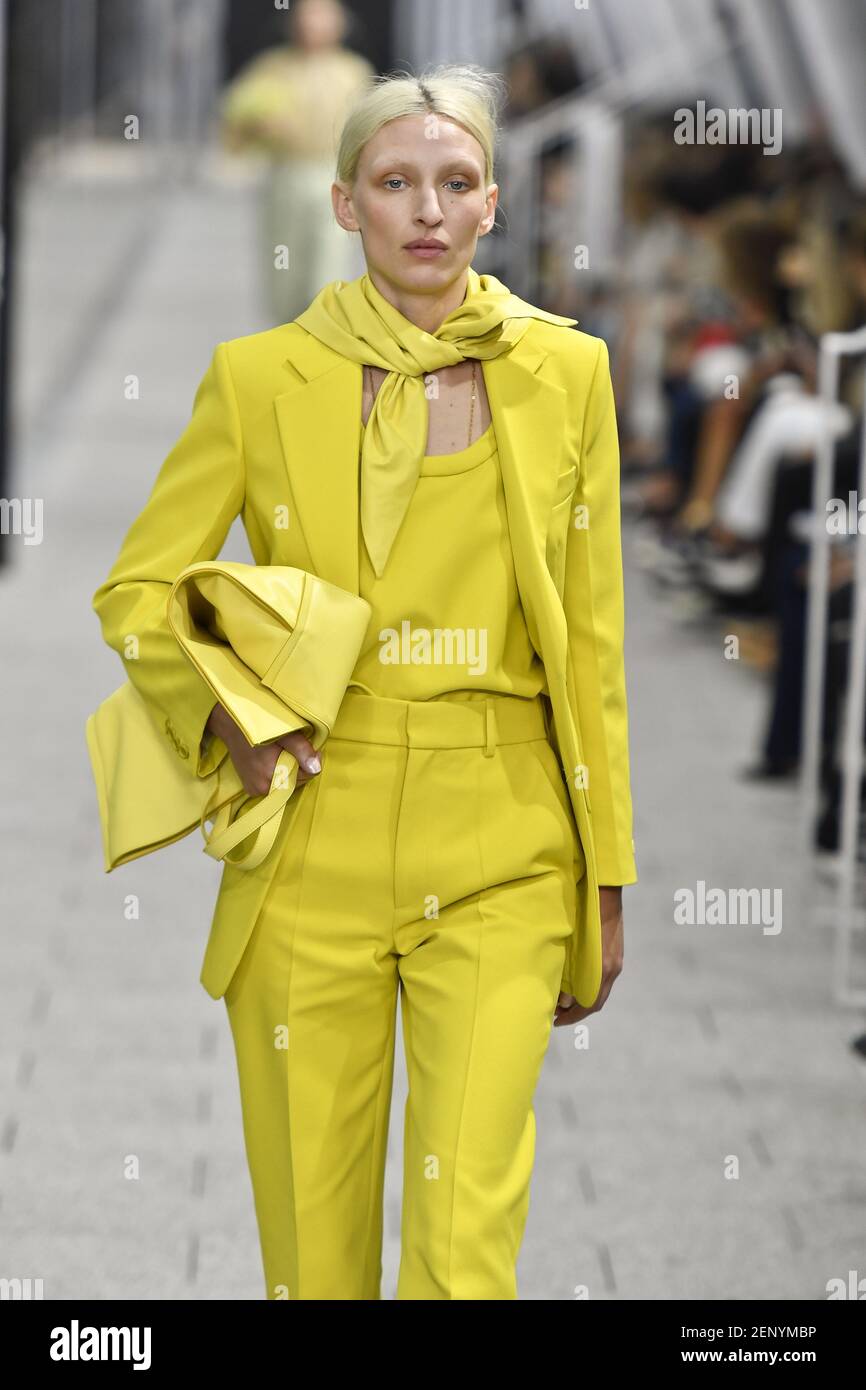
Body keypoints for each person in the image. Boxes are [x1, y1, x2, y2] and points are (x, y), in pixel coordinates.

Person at [91, 62, 637, 1301]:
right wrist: (231, 725)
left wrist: (607, 877)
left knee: (463, 1255)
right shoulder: (257, 378)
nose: (426, 211)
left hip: (504, 841)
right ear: (345, 205)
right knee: (313, 1256)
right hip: (312, 831)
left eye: (454, 183)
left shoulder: (568, 375)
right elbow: (135, 591)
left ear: (493, 203)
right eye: (396, 183)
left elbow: (591, 649)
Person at [219, 0, 374, 324]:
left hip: (335, 177)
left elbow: (371, 133)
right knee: (284, 275)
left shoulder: (353, 72)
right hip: (286, 177)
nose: (312, 24)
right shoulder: (272, 69)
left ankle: (320, 345)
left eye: (322, 15)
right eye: (306, 16)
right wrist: (258, 127)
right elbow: (234, 124)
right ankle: (285, 343)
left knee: (326, 274)